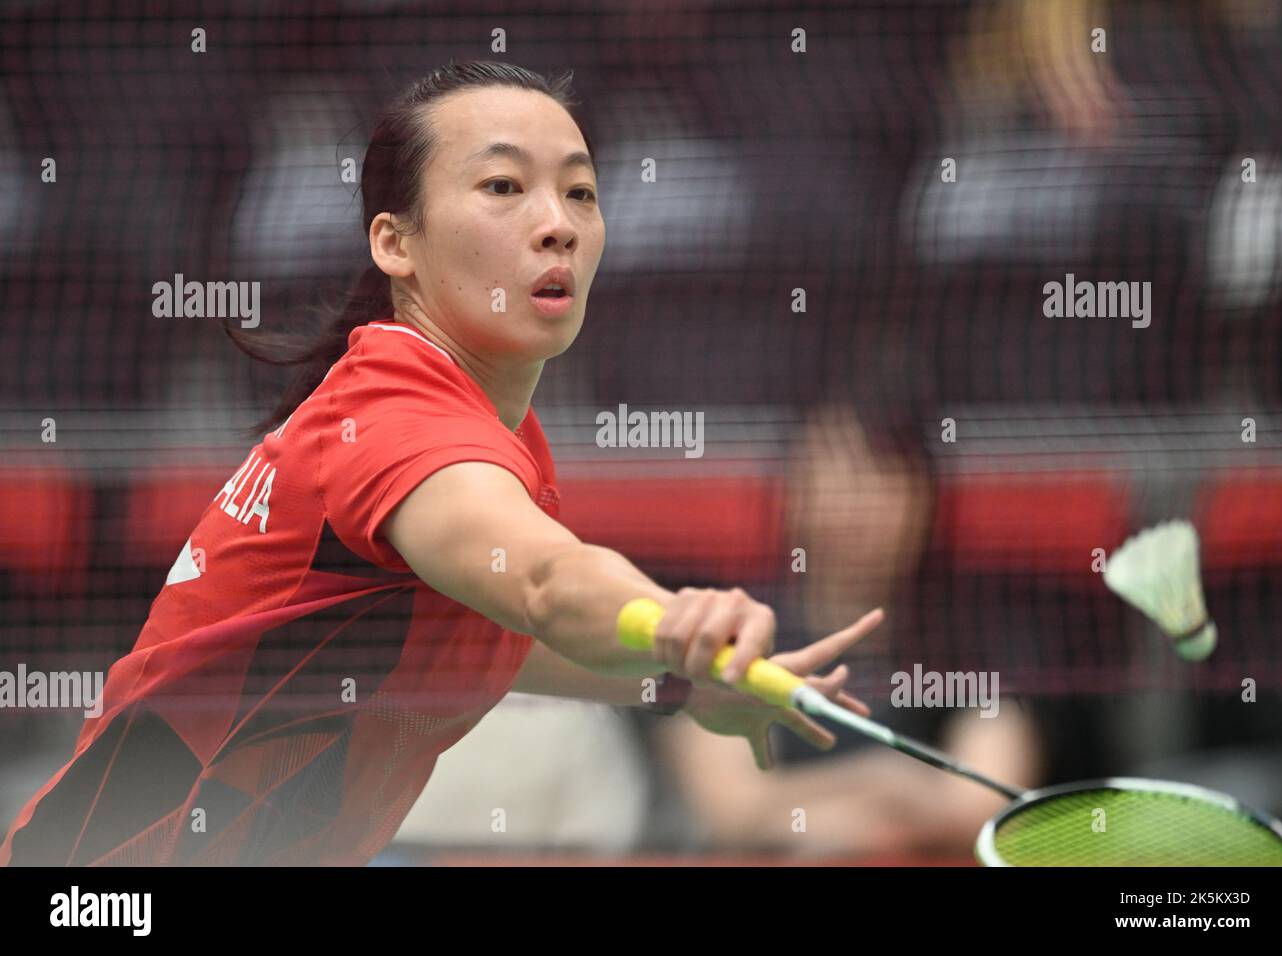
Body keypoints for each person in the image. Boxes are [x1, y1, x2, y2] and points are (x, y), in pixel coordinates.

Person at [1, 60, 876, 866]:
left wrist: (676, 683)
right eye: (504, 186)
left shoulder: (475, 432)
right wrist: (679, 616)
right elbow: (545, 583)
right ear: (395, 243)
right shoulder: (393, 416)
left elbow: (489, 639)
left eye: (580, 192)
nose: (557, 225)